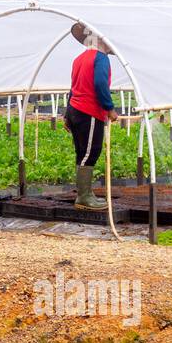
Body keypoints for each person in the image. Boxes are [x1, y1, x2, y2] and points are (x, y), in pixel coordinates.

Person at [64, 23, 118, 210]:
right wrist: (109, 108)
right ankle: (84, 197)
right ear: (103, 40)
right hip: (89, 111)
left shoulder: (78, 59)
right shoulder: (100, 58)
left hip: (75, 110)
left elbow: (73, 87)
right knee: (90, 152)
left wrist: (67, 114)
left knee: (82, 153)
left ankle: (84, 194)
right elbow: (100, 83)